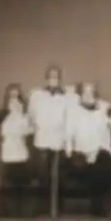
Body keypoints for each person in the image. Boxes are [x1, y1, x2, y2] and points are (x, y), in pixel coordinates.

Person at [66, 81, 111, 219]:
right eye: (85, 92)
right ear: (80, 95)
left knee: (104, 162)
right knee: (88, 166)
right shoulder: (73, 111)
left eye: (92, 92)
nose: (89, 95)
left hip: (100, 151)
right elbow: (68, 136)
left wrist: (108, 112)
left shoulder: (103, 107)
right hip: (80, 153)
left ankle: (103, 206)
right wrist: (76, 152)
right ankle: (104, 206)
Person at [27, 65, 77, 213]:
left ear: (60, 79)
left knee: (59, 174)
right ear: (47, 78)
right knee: (43, 172)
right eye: (51, 76)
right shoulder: (37, 96)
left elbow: (70, 118)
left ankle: (57, 206)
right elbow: (32, 115)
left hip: (59, 139)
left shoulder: (67, 97)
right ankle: (44, 205)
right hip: (42, 138)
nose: (53, 79)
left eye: (56, 77)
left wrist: (67, 141)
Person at [0, 83, 34, 217]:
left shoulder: (24, 116)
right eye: (12, 96)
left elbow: (29, 131)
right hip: (7, 153)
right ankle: (7, 211)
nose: (14, 99)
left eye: (17, 96)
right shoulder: (2, 115)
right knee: (7, 184)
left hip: (21, 153)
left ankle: (22, 211)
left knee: (21, 183)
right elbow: (2, 132)